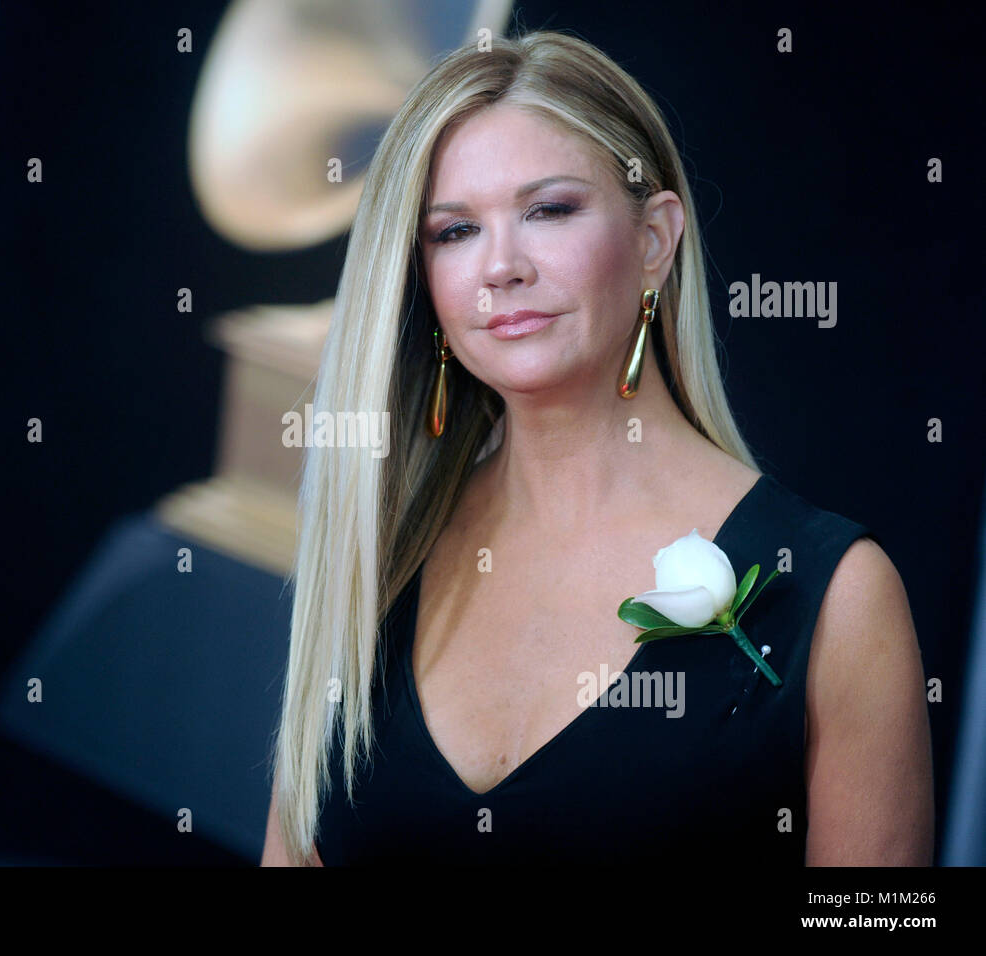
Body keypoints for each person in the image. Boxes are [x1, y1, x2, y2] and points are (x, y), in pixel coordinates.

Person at [260, 29, 933, 866]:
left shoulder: (837, 595)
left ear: (653, 239)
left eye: (549, 210)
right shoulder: (377, 554)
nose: (500, 266)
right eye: (455, 231)